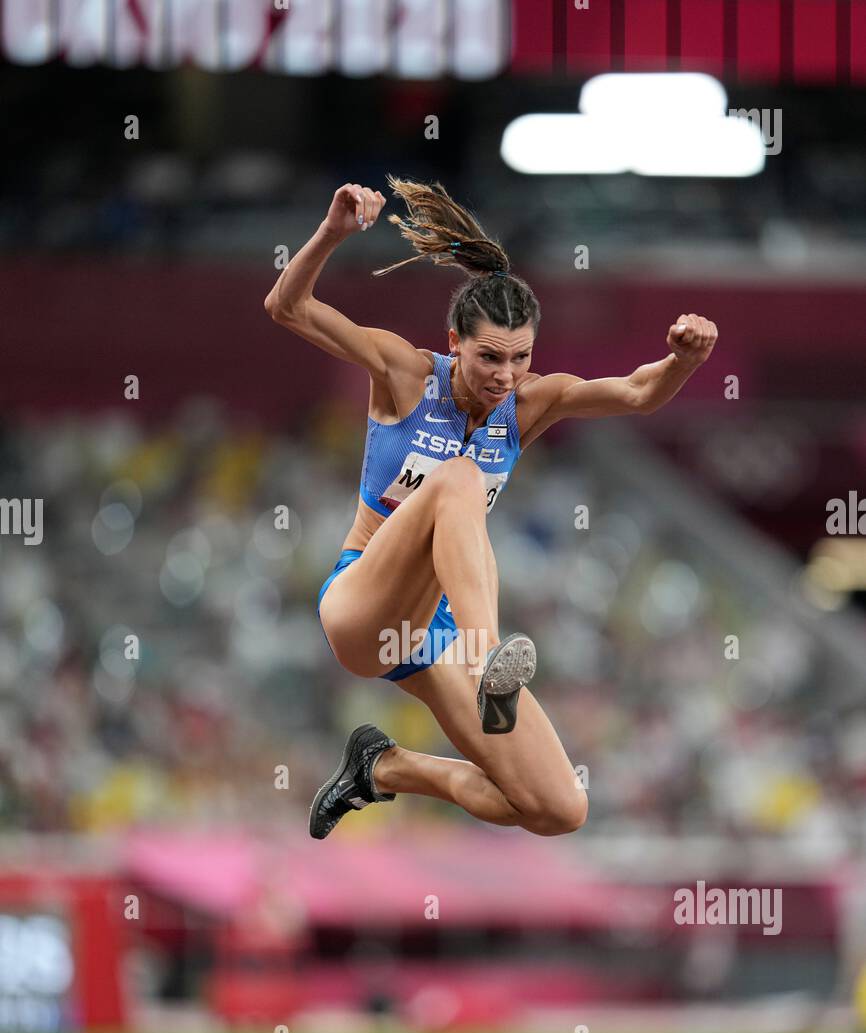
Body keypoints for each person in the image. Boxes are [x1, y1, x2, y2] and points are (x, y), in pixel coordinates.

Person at [264, 177, 717, 840]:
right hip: (365, 605)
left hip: (433, 635)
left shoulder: (531, 402)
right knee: (458, 480)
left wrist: (684, 359)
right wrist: (334, 232)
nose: (505, 376)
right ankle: (488, 663)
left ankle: (382, 769)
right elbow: (287, 306)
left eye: (521, 358)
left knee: (558, 808)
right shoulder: (405, 373)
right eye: (489, 358)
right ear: (454, 341)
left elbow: (639, 392)